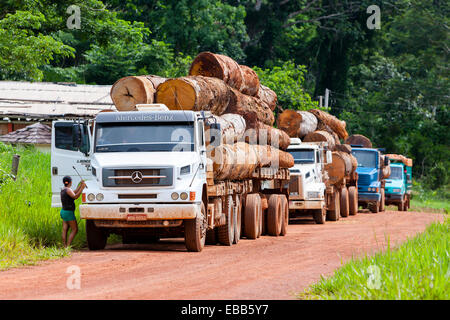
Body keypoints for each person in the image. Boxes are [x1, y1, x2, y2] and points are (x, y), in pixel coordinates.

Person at [60, 176, 86, 247]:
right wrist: (82, 188)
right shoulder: (68, 190)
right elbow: (75, 196)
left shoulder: (63, 190)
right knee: (75, 229)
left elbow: (73, 192)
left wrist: (80, 185)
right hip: (68, 213)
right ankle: (68, 246)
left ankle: (64, 246)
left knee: (65, 229)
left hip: (63, 212)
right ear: (70, 182)